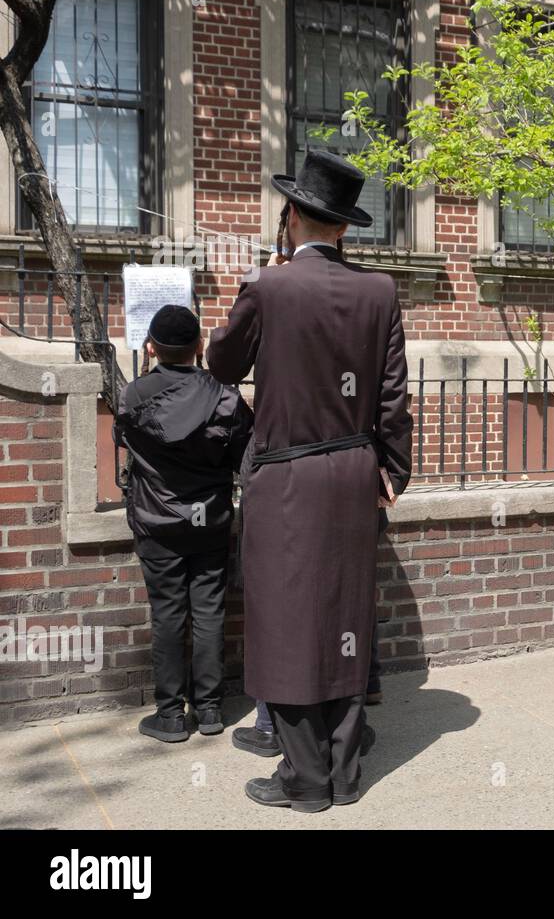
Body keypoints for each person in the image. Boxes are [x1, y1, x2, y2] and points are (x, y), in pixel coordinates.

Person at [208, 151, 412, 812]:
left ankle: (305, 779)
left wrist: (251, 289)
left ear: (292, 215)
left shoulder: (269, 288)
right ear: (344, 227)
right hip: (354, 471)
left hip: (287, 472)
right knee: (347, 616)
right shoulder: (379, 291)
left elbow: (221, 362)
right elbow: (392, 399)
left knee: (287, 621)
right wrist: (393, 471)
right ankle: (345, 771)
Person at [114, 305, 253, 743]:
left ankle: (171, 715)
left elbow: (125, 444)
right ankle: (210, 710)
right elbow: (244, 457)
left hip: (157, 522)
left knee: (168, 615)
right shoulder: (226, 397)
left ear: (151, 346)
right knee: (210, 611)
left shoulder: (133, 395)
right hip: (208, 519)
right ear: (198, 347)